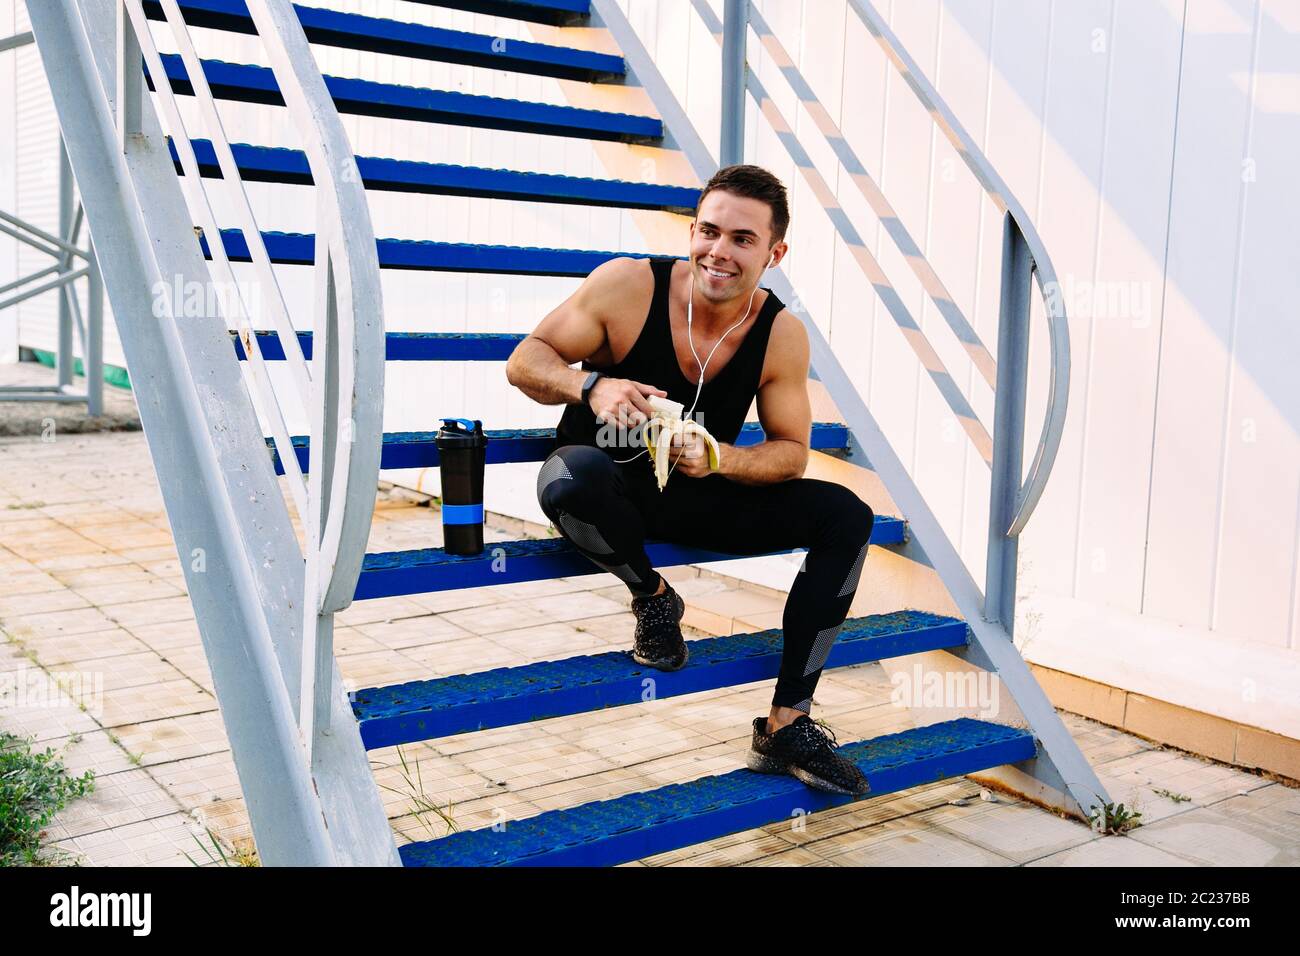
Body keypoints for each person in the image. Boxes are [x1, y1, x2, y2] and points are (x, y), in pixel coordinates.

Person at [505, 165, 874, 795]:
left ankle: (787, 722)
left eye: (742, 239)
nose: (718, 252)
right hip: (606, 488)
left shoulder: (780, 333)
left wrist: (722, 458)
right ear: (692, 231)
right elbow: (526, 362)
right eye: (709, 231)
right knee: (570, 481)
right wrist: (591, 385)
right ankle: (652, 596)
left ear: (774, 252)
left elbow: (791, 453)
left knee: (847, 514)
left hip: (697, 490)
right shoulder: (627, 286)